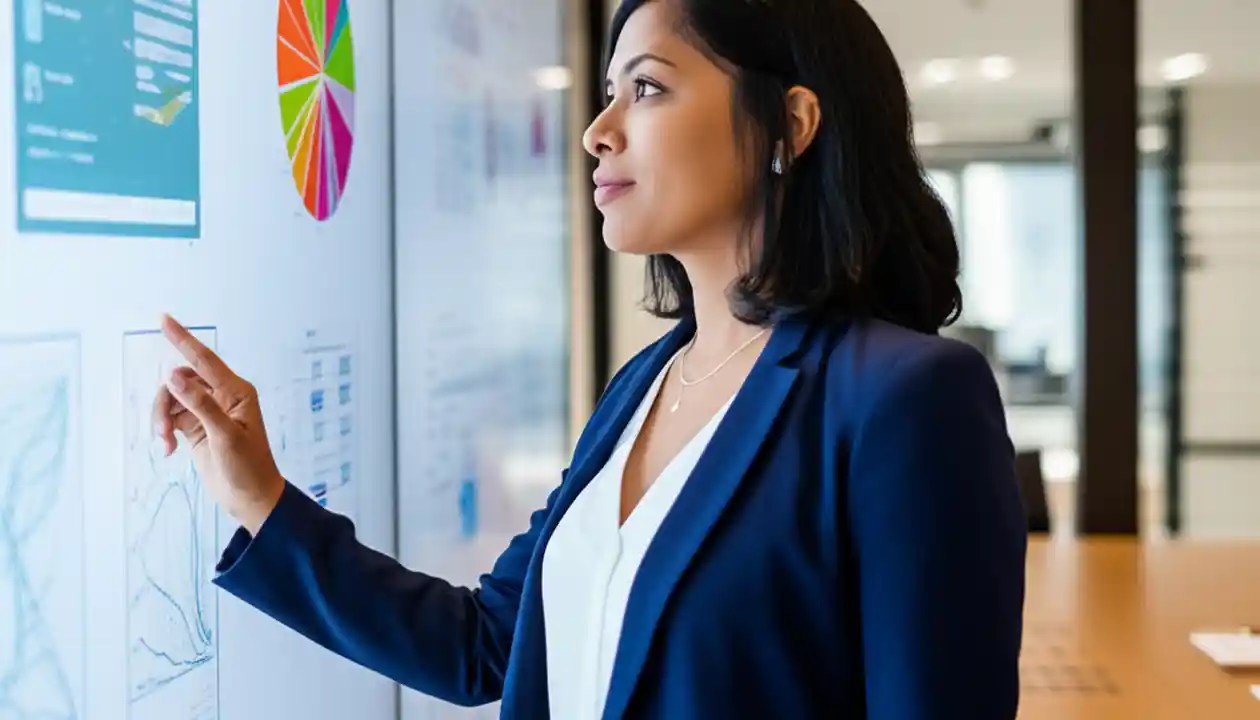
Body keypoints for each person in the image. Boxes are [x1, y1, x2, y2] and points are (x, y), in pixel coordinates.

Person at [152, 0, 1027, 717]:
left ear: (789, 124)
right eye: (609, 93)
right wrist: (260, 497)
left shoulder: (905, 397)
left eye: (646, 90)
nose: (597, 132)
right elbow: (483, 644)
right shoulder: (645, 384)